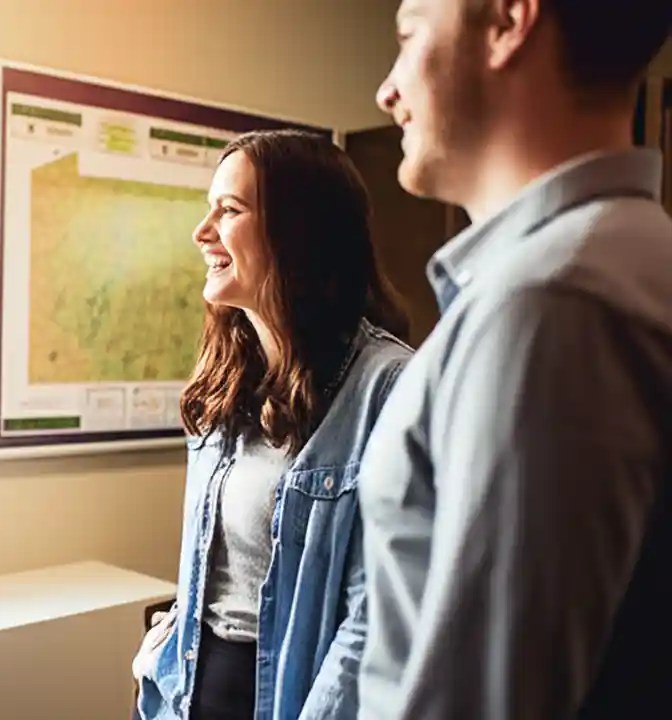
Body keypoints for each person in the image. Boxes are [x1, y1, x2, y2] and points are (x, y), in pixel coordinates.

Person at [359, 1, 672, 717]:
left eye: (409, 37)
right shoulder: (628, 261)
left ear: (507, 20)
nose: (387, 90)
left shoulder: (548, 306)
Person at [133, 130, 413, 720]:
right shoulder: (230, 371)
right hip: (182, 692)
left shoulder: (387, 385)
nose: (201, 231)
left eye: (229, 210)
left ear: (297, 233)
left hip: (290, 699)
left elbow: (375, 616)